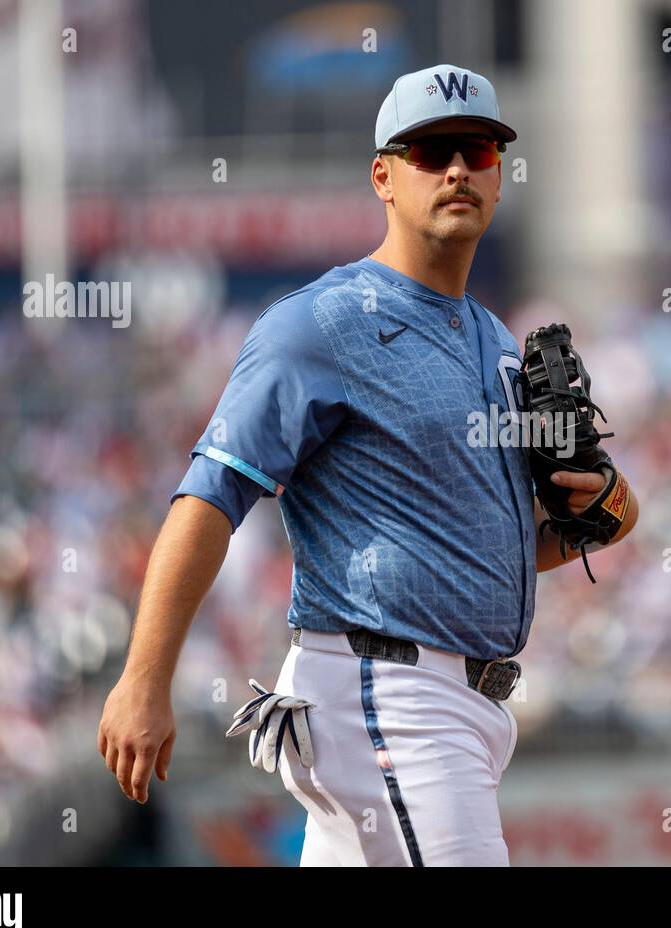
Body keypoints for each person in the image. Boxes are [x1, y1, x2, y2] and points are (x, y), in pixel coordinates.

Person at [97, 64, 639, 866]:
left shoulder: (495, 342)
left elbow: (496, 550)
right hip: (389, 694)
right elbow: (208, 495)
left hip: (457, 706)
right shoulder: (322, 323)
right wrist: (144, 678)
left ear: (499, 176)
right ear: (383, 177)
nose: (457, 168)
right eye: (429, 152)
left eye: (477, 150)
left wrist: (607, 507)